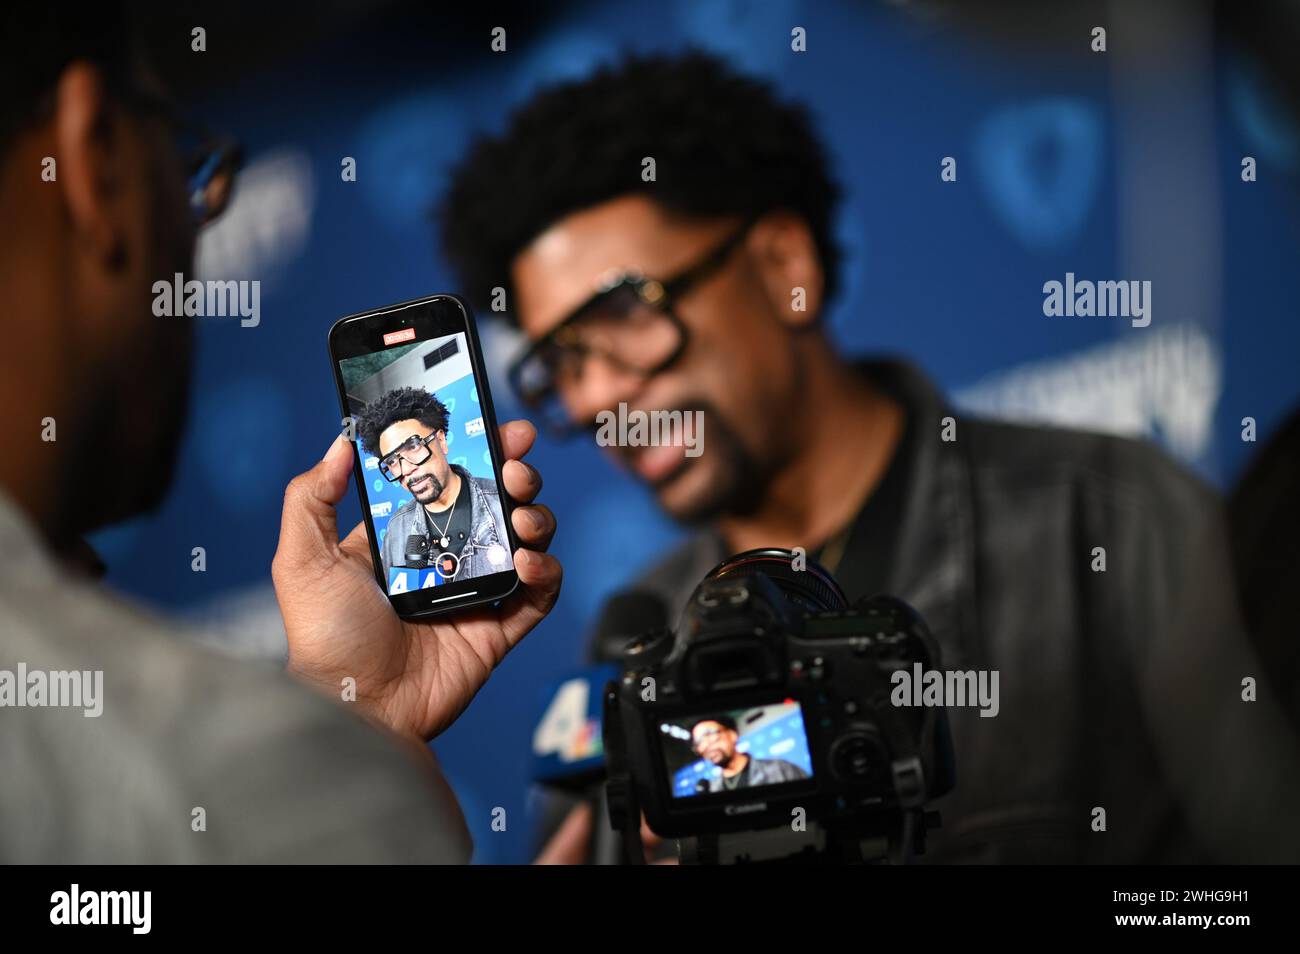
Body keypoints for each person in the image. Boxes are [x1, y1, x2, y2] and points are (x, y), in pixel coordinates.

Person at [439, 51, 1300, 863]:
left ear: (785, 263)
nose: (594, 401)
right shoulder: (637, 635)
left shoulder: (1107, 522)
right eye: (562, 362)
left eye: (623, 316)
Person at [0, 5, 561, 862]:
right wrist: (343, 761)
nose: (202, 222)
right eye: (191, 167)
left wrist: (363, 713)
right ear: (93, 162)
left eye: (416, 445)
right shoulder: (244, 783)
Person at [357, 387, 511, 583]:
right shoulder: (397, 528)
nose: (406, 470)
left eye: (412, 446)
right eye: (392, 461)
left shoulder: (501, 502)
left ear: (441, 440)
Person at [688, 716, 808, 794]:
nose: (706, 745)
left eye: (709, 734)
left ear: (732, 735)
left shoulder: (779, 769)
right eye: (698, 742)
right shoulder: (711, 789)